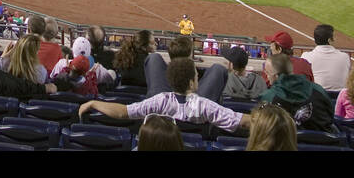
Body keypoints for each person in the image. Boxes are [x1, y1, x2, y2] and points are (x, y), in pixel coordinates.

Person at [80, 57, 252, 133]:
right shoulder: (205, 106)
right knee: (218, 70)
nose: (198, 76)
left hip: (162, 131)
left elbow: (123, 112)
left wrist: (94, 103)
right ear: (192, 83)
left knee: (154, 58)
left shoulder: (159, 101)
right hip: (197, 132)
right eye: (196, 75)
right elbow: (243, 122)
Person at [259, 52, 335, 132]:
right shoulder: (318, 90)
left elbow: (263, 126)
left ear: (276, 76)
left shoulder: (269, 96)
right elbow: (330, 115)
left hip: (286, 143)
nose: (267, 76)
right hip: (324, 142)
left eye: (267, 72)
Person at [302, 24, 351, 91]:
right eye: (333, 37)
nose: (335, 39)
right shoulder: (345, 57)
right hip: (338, 98)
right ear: (329, 40)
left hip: (318, 97)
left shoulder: (306, 56)